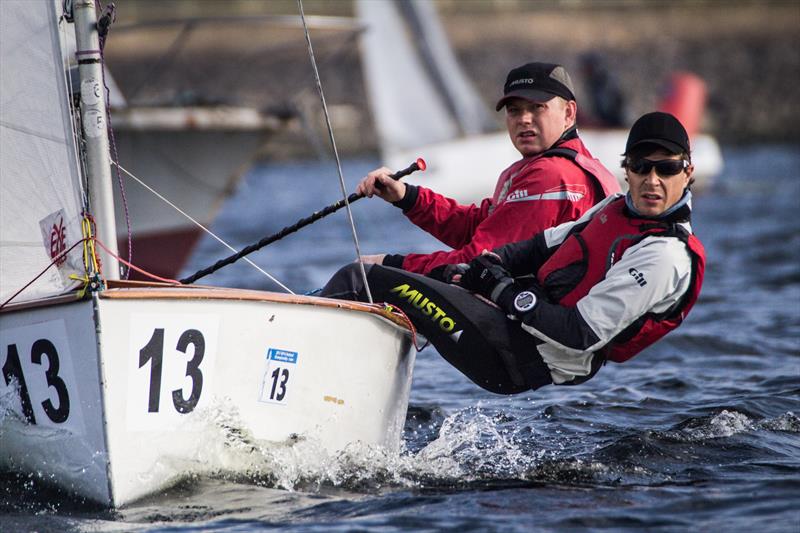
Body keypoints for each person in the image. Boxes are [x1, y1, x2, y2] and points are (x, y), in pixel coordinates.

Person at [320, 112, 705, 394]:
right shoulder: (614, 209)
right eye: (641, 167)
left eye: (666, 169)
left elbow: (580, 334)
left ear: (687, 173)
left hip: (521, 356)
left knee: (361, 279)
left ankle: (307, 384)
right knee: (388, 292)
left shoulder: (664, 256)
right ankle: (339, 398)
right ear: (627, 170)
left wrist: (500, 289)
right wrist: (488, 266)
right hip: (510, 326)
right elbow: (540, 246)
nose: (652, 180)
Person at [357, 62, 620, 281]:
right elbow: (481, 227)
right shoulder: (575, 164)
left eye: (537, 107)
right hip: (533, 314)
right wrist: (406, 196)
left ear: (569, 113)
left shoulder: (552, 175)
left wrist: (390, 264)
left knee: (359, 276)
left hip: (528, 327)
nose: (524, 119)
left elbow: (480, 258)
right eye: (514, 110)